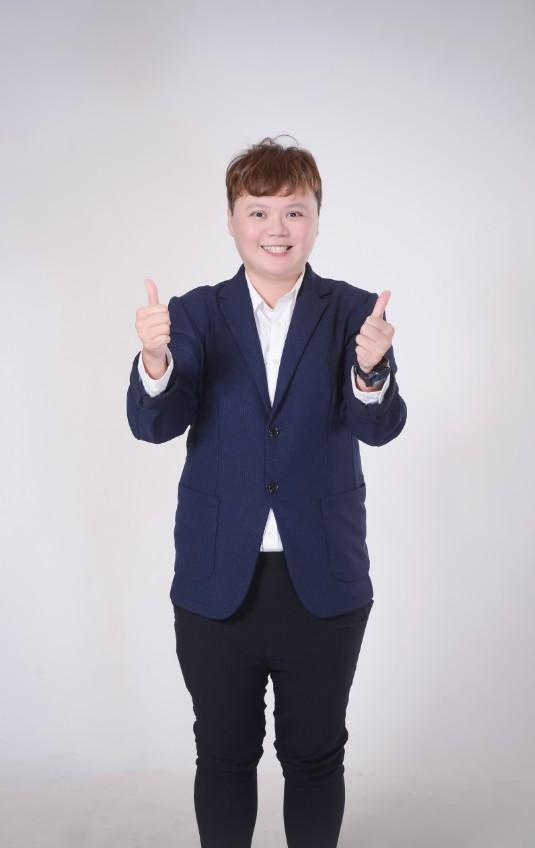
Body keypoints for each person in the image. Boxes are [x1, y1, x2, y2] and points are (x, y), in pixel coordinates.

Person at [126, 134, 407, 847]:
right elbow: (154, 424)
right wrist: (154, 359)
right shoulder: (194, 313)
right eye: (258, 211)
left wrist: (370, 372)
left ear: (315, 219)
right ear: (231, 219)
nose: (276, 229)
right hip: (217, 577)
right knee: (223, 756)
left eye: (294, 211)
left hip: (324, 579)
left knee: (315, 757)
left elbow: (378, 428)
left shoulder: (353, 313)